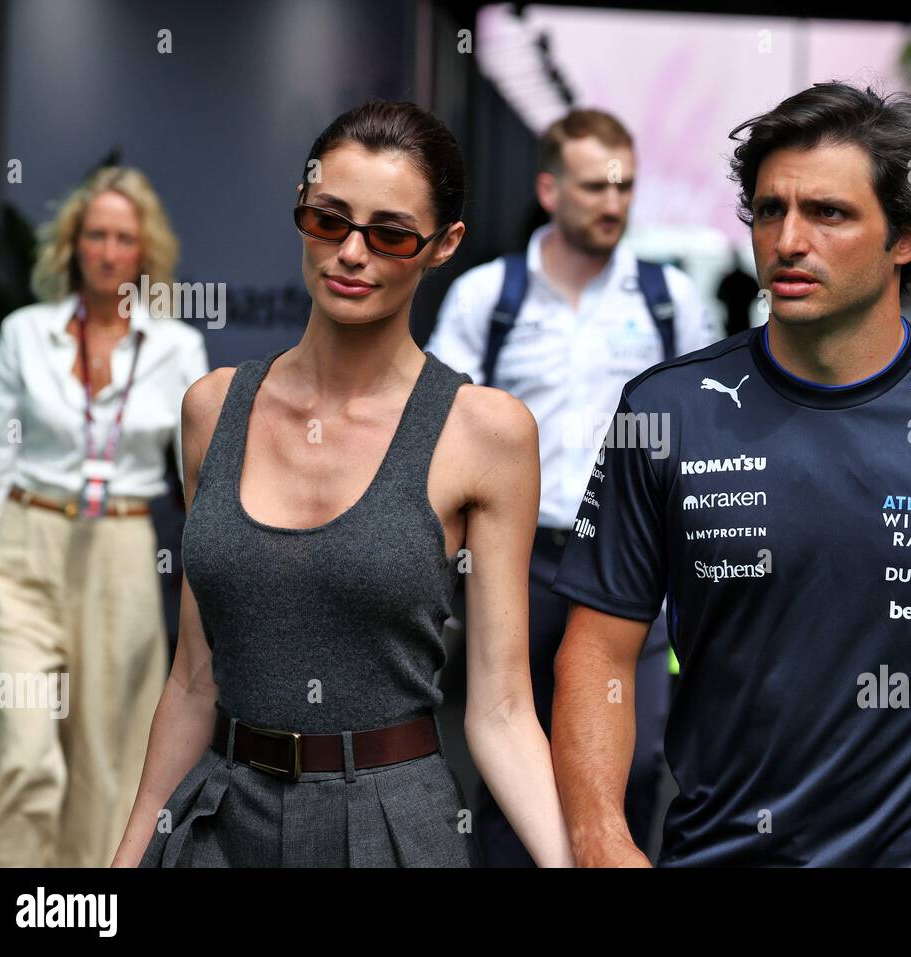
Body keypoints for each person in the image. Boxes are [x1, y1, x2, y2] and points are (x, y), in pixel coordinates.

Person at [550, 81, 911, 867]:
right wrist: (599, 836)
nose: (788, 239)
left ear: (906, 238)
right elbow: (598, 652)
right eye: (770, 209)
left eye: (829, 213)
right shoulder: (668, 410)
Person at [115, 99, 572, 868]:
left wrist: (566, 860)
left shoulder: (485, 432)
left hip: (392, 825)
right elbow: (194, 679)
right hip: (220, 820)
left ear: (443, 244)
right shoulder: (212, 409)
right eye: (329, 220)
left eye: (390, 232)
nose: (351, 253)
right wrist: (125, 862)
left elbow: (499, 708)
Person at [426, 108, 718, 865]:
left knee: (640, 759)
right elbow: (435, 426)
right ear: (551, 189)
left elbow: (711, 425)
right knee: (509, 749)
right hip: (520, 560)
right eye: (594, 186)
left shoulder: (669, 300)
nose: (613, 203)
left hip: (633, 562)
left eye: (625, 187)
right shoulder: (488, 296)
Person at [0, 166, 210, 867]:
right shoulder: (24, 333)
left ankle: (85, 908)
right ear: (72, 245)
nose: (108, 251)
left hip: (125, 555)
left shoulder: (176, 347)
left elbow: (200, 482)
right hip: (22, 548)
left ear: (145, 252)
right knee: (23, 751)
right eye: (95, 235)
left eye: (123, 238)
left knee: (110, 762)